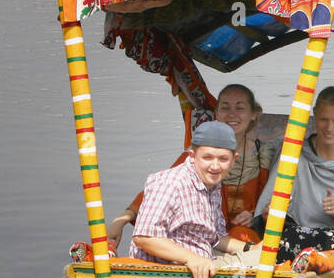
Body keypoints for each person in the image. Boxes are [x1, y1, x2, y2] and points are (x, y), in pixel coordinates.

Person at [108, 84, 275, 249]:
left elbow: (272, 200)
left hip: (242, 235)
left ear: (254, 114)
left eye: (240, 108)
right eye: (225, 108)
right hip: (203, 236)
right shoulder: (195, 157)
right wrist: (123, 219)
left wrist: (256, 215)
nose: (232, 114)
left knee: (242, 235)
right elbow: (157, 193)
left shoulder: (264, 154)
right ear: (216, 113)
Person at [253, 85, 334, 267]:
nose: (329, 128)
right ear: (314, 115)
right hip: (299, 234)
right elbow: (270, 207)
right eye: (323, 119)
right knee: (283, 237)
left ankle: (315, 262)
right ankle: (311, 261)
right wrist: (269, 214)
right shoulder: (294, 154)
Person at [129, 120, 252, 278]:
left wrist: (249, 248)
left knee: (264, 253)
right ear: (192, 156)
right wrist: (192, 258)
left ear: (234, 159)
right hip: (167, 275)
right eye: (207, 157)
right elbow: (144, 237)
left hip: (203, 262)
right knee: (264, 263)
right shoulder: (170, 183)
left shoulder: (212, 184)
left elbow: (214, 238)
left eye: (223, 159)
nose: (215, 166)